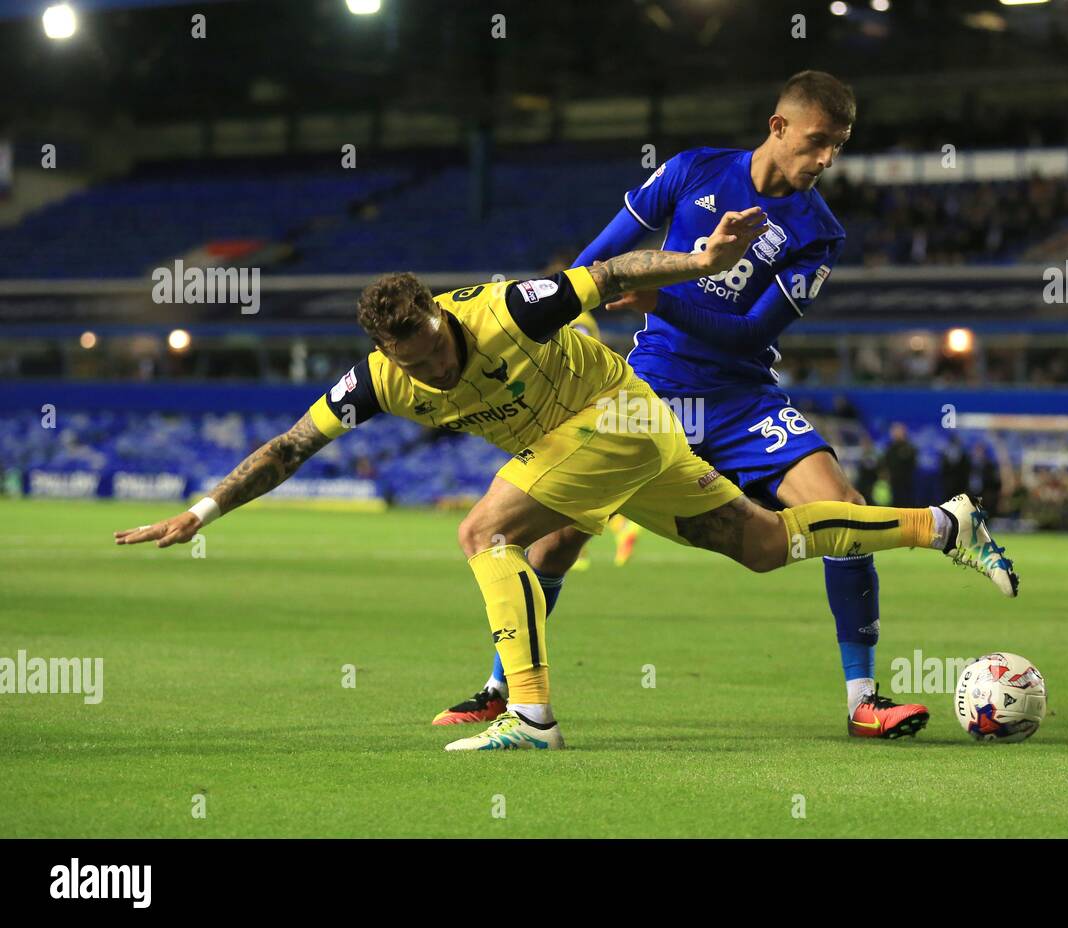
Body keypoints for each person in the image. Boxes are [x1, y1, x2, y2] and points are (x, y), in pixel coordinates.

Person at [115, 208, 1019, 752]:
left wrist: (701, 262)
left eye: (434, 343)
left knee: (483, 534)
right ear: (385, 350)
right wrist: (202, 509)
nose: (431, 365)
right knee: (764, 545)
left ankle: (531, 715)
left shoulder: (505, 310)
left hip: (618, 415)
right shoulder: (377, 380)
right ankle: (943, 525)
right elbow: (286, 447)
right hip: (620, 443)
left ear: (438, 311)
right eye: (414, 358)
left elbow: (614, 269)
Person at [436, 70, 929, 739]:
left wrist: (660, 296)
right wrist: (562, 314)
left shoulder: (819, 230)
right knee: (556, 540)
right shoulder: (692, 171)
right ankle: (502, 690)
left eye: (838, 147)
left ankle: (863, 701)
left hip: (740, 397)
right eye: (817, 142)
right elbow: (597, 258)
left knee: (845, 511)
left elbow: (752, 331)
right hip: (652, 390)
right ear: (777, 126)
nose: (826, 160)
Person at [883, 422, 917, 508]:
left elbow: (911, 463)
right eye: (893, 431)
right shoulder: (889, 447)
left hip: (906, 484)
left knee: (906, 505)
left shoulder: (909, 447)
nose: (895, 433)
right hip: (892, 484)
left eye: (897, 431)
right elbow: (886, 463)